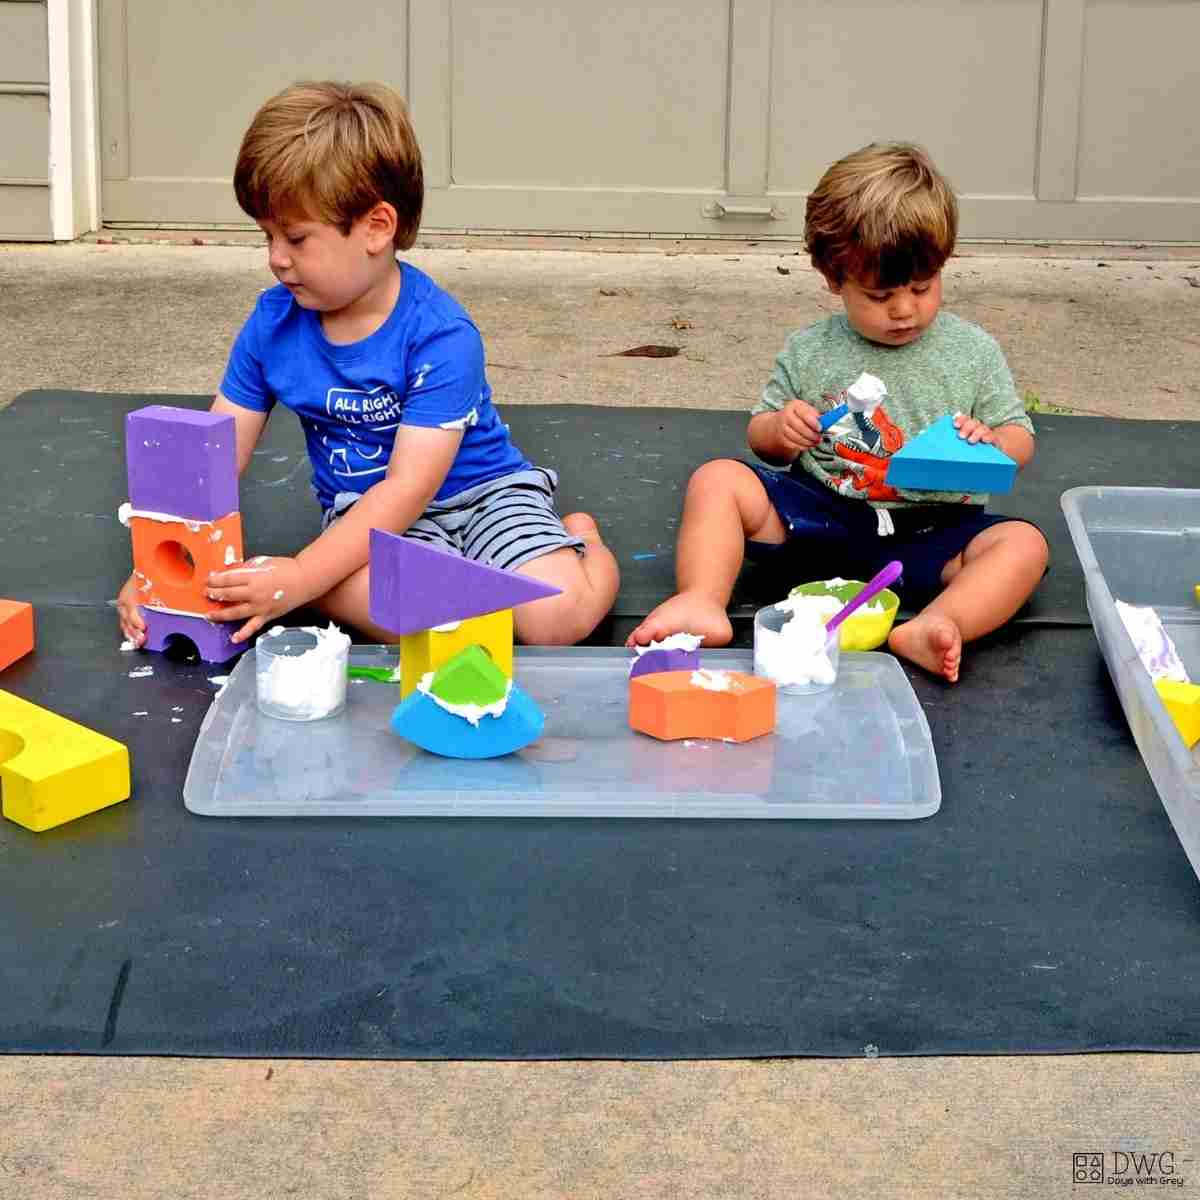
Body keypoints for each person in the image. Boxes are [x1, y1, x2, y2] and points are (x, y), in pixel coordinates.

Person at [117, 81, 618, 649]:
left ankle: (583, 541)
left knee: (555, 623)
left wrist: (302, 577)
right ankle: (343, 581)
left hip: (482, 494)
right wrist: (153, 573)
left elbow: (407, 487)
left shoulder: (441, 336)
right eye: (268, 235)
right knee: (447, 628)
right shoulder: (272, 325)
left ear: (377, 228)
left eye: (298, 238)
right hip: (364, 519)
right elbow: (215, 455)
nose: (277, 258)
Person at [627, 142, 1048, 682]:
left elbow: (1021, 437)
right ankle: (702, 599)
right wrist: (783, 430)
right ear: (833, 280)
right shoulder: (811, 349)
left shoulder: (973, 351)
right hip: (819, 521)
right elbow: (760, 434)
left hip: (931, 535)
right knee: (717, 479)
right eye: (879, 295)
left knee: (1022, 545)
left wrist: (990, 441)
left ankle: (937, 624)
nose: (904, 309)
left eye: (922, 287)